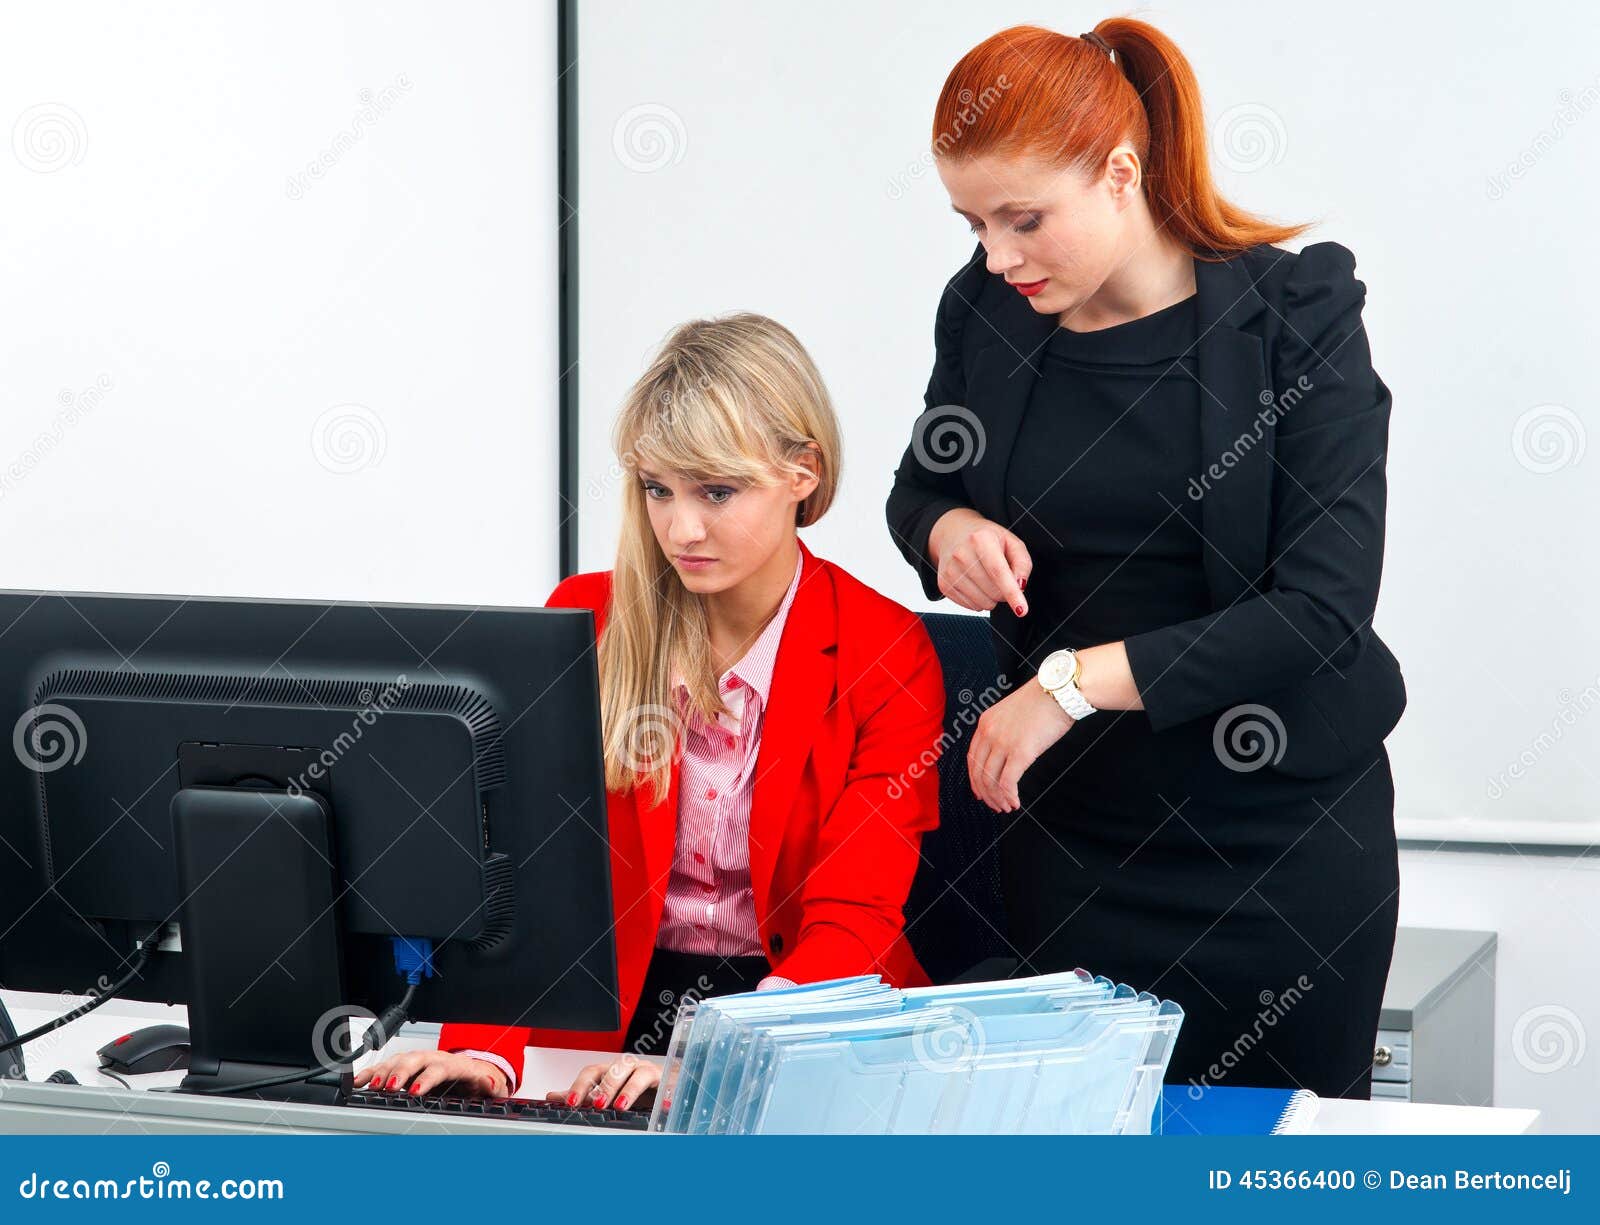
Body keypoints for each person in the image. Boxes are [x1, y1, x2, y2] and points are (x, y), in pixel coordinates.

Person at [885, 18, 1406, 1099]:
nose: (995, 255)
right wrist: (948, 536)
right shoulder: (986, 311)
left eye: (1023, 219)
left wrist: (1066, 686)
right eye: (972, 221)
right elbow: (921, 484)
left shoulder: (1293, 319)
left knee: (1262, 1168)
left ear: (1120, 173)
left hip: (1274, 854)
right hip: (1074, 845)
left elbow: (1320, 612)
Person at [359, 312, 945, 1111]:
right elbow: (519, 870)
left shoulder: (886, 648)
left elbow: (856, 911)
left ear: (802, 471)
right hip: (605, 1018)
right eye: (657, 489)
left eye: (717, 490)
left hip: (806, 1013)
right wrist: (483, 1049)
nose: (681, 527)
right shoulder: (584, 620)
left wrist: (720, 1058)